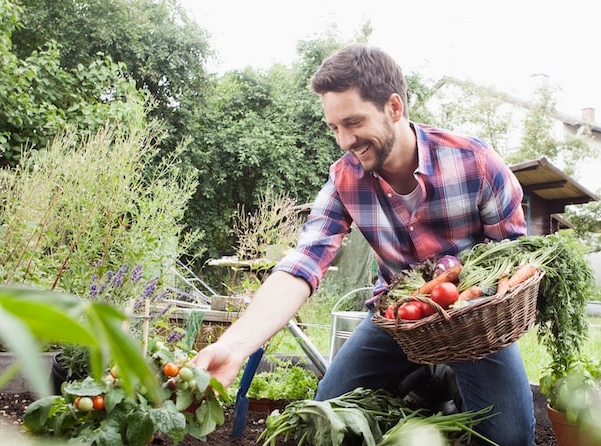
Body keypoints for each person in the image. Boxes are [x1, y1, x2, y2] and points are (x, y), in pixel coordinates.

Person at [193, 44, 536, 445]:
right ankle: (427, 377)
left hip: (472, 324)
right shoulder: (345, 179)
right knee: (328, 419)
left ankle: (442, 373)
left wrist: (471, 309)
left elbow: (511, 258)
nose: (344, 140)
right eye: (334, 128)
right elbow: (304, 262)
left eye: (353, 122)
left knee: (510, 437)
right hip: (396, 318)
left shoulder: (475, 162)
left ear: (394, 107)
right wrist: (234, 347)